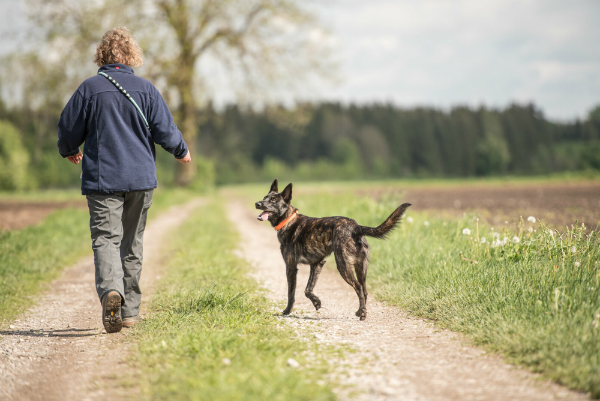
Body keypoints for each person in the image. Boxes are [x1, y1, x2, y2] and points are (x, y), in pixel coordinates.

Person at [57, 27, 191, 333]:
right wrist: (181, 151)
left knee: (106, 239)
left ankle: (110, 292)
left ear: (101, 55)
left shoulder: (88, 89)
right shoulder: (147, 89)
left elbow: (67, 128)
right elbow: (165, 130)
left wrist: (69, 150)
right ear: (131, 56)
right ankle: (129, 311)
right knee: (132, 243)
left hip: (103, 181)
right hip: (141, 180)